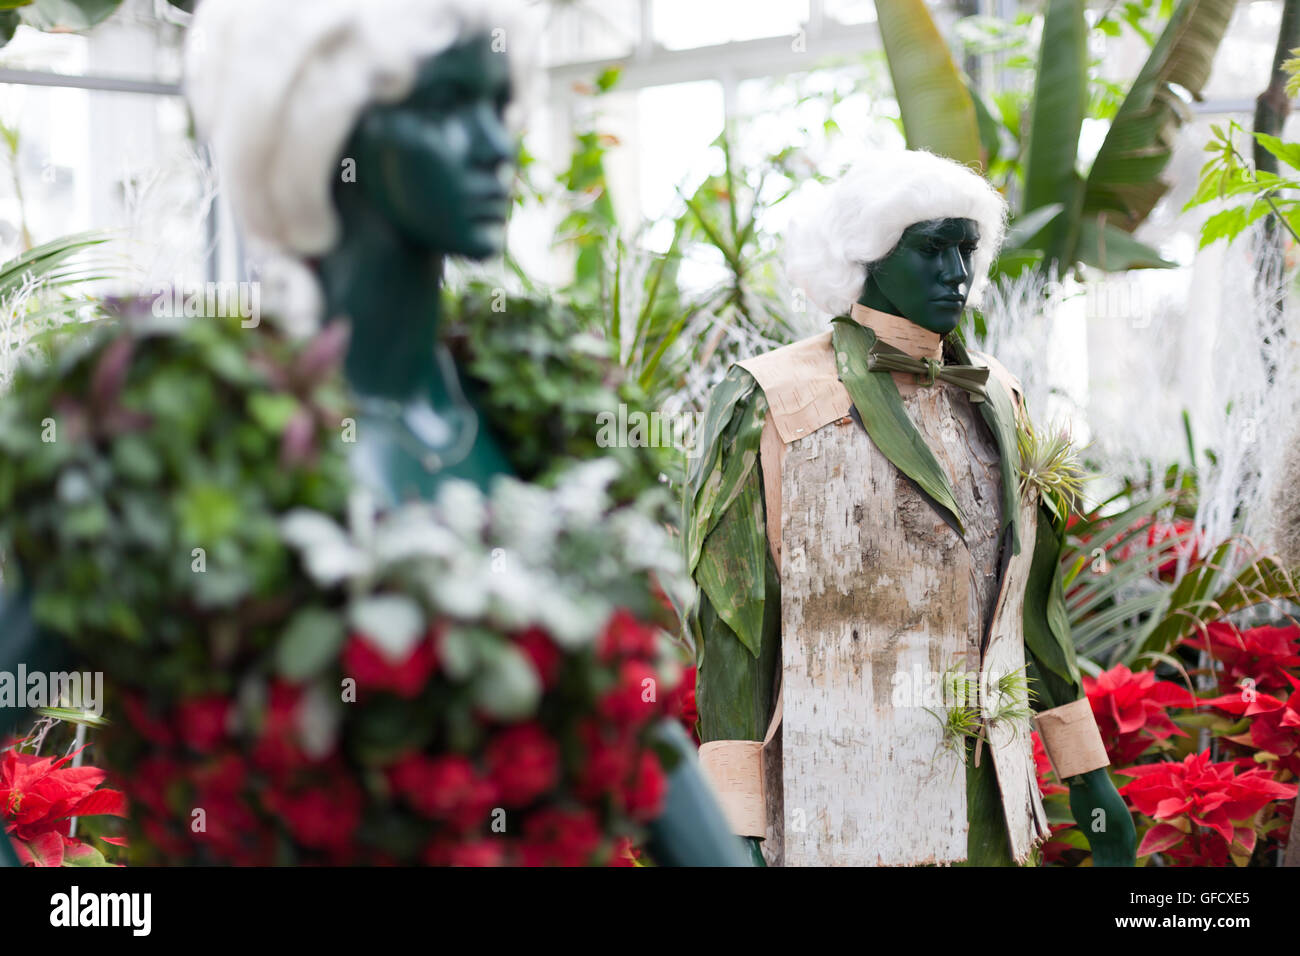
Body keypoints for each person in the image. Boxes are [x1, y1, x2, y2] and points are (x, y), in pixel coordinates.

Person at [0, 0, 745, 867]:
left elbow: (637, 734)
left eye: (494, 105)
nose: (493, 144)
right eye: (441, 108)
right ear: (325, 132)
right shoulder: (182, 428)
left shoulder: (537, 421)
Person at [687, 150, 1136, 866]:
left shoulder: (999, 395)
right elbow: (737, 625)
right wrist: (735, 821)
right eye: (931, 250)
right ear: (867, 257)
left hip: (991, 790)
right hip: (842, 799)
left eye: (967, 248)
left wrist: (1088, 771)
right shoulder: (769, 398)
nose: (956, 274)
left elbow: (1032, 602)